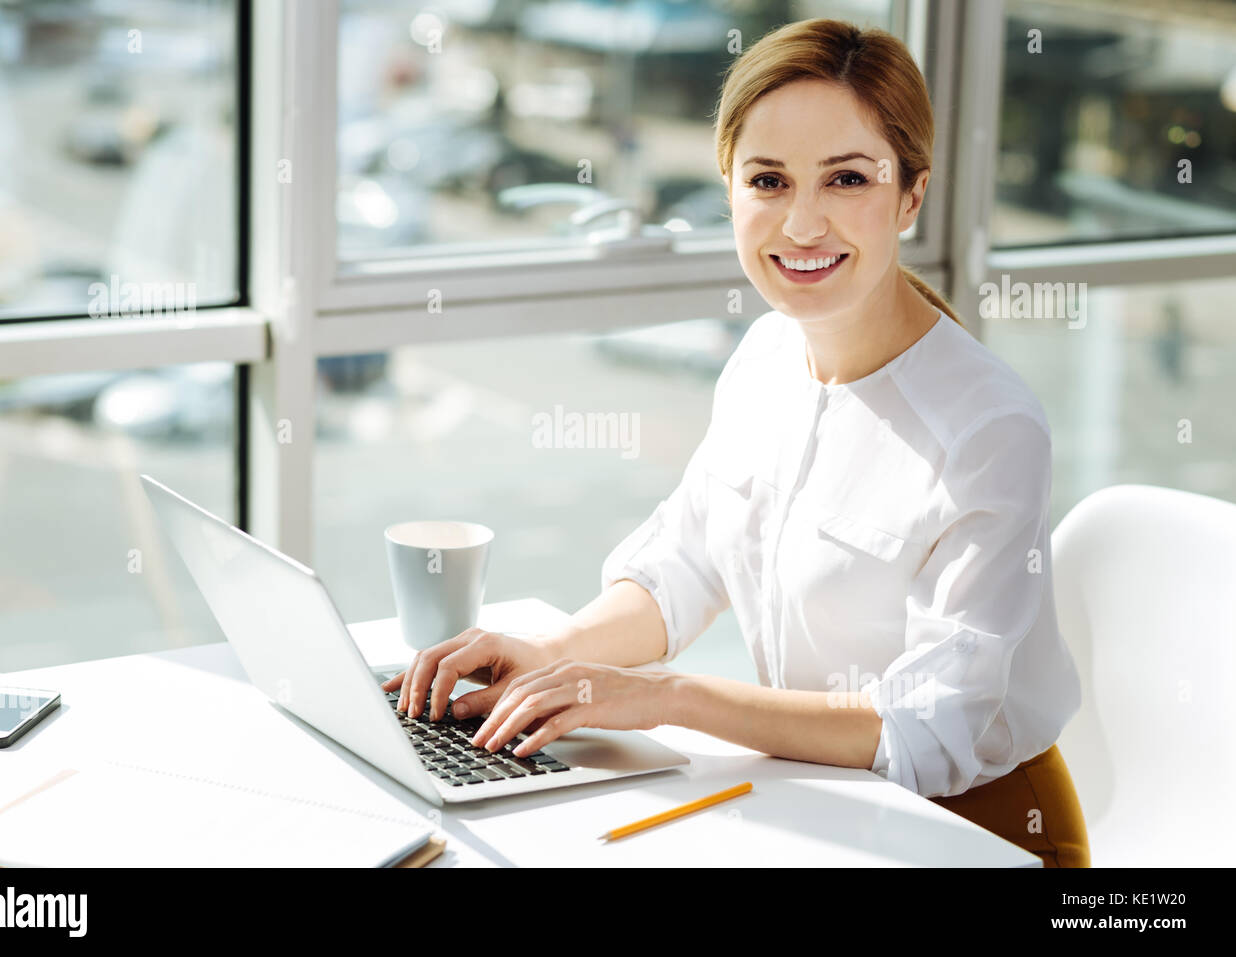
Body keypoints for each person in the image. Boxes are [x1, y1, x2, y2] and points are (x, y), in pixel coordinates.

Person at [383, 18, 1090, 867]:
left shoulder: (990, 430)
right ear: (729, 190)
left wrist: (660, 698)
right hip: (811, 797)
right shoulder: (764, 358)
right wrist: (555, 655)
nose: (801, 224)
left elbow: (930, 729)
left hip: (974, 831)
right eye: (768, 180)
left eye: (846, 179)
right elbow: (685, 565)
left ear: (911, 195)